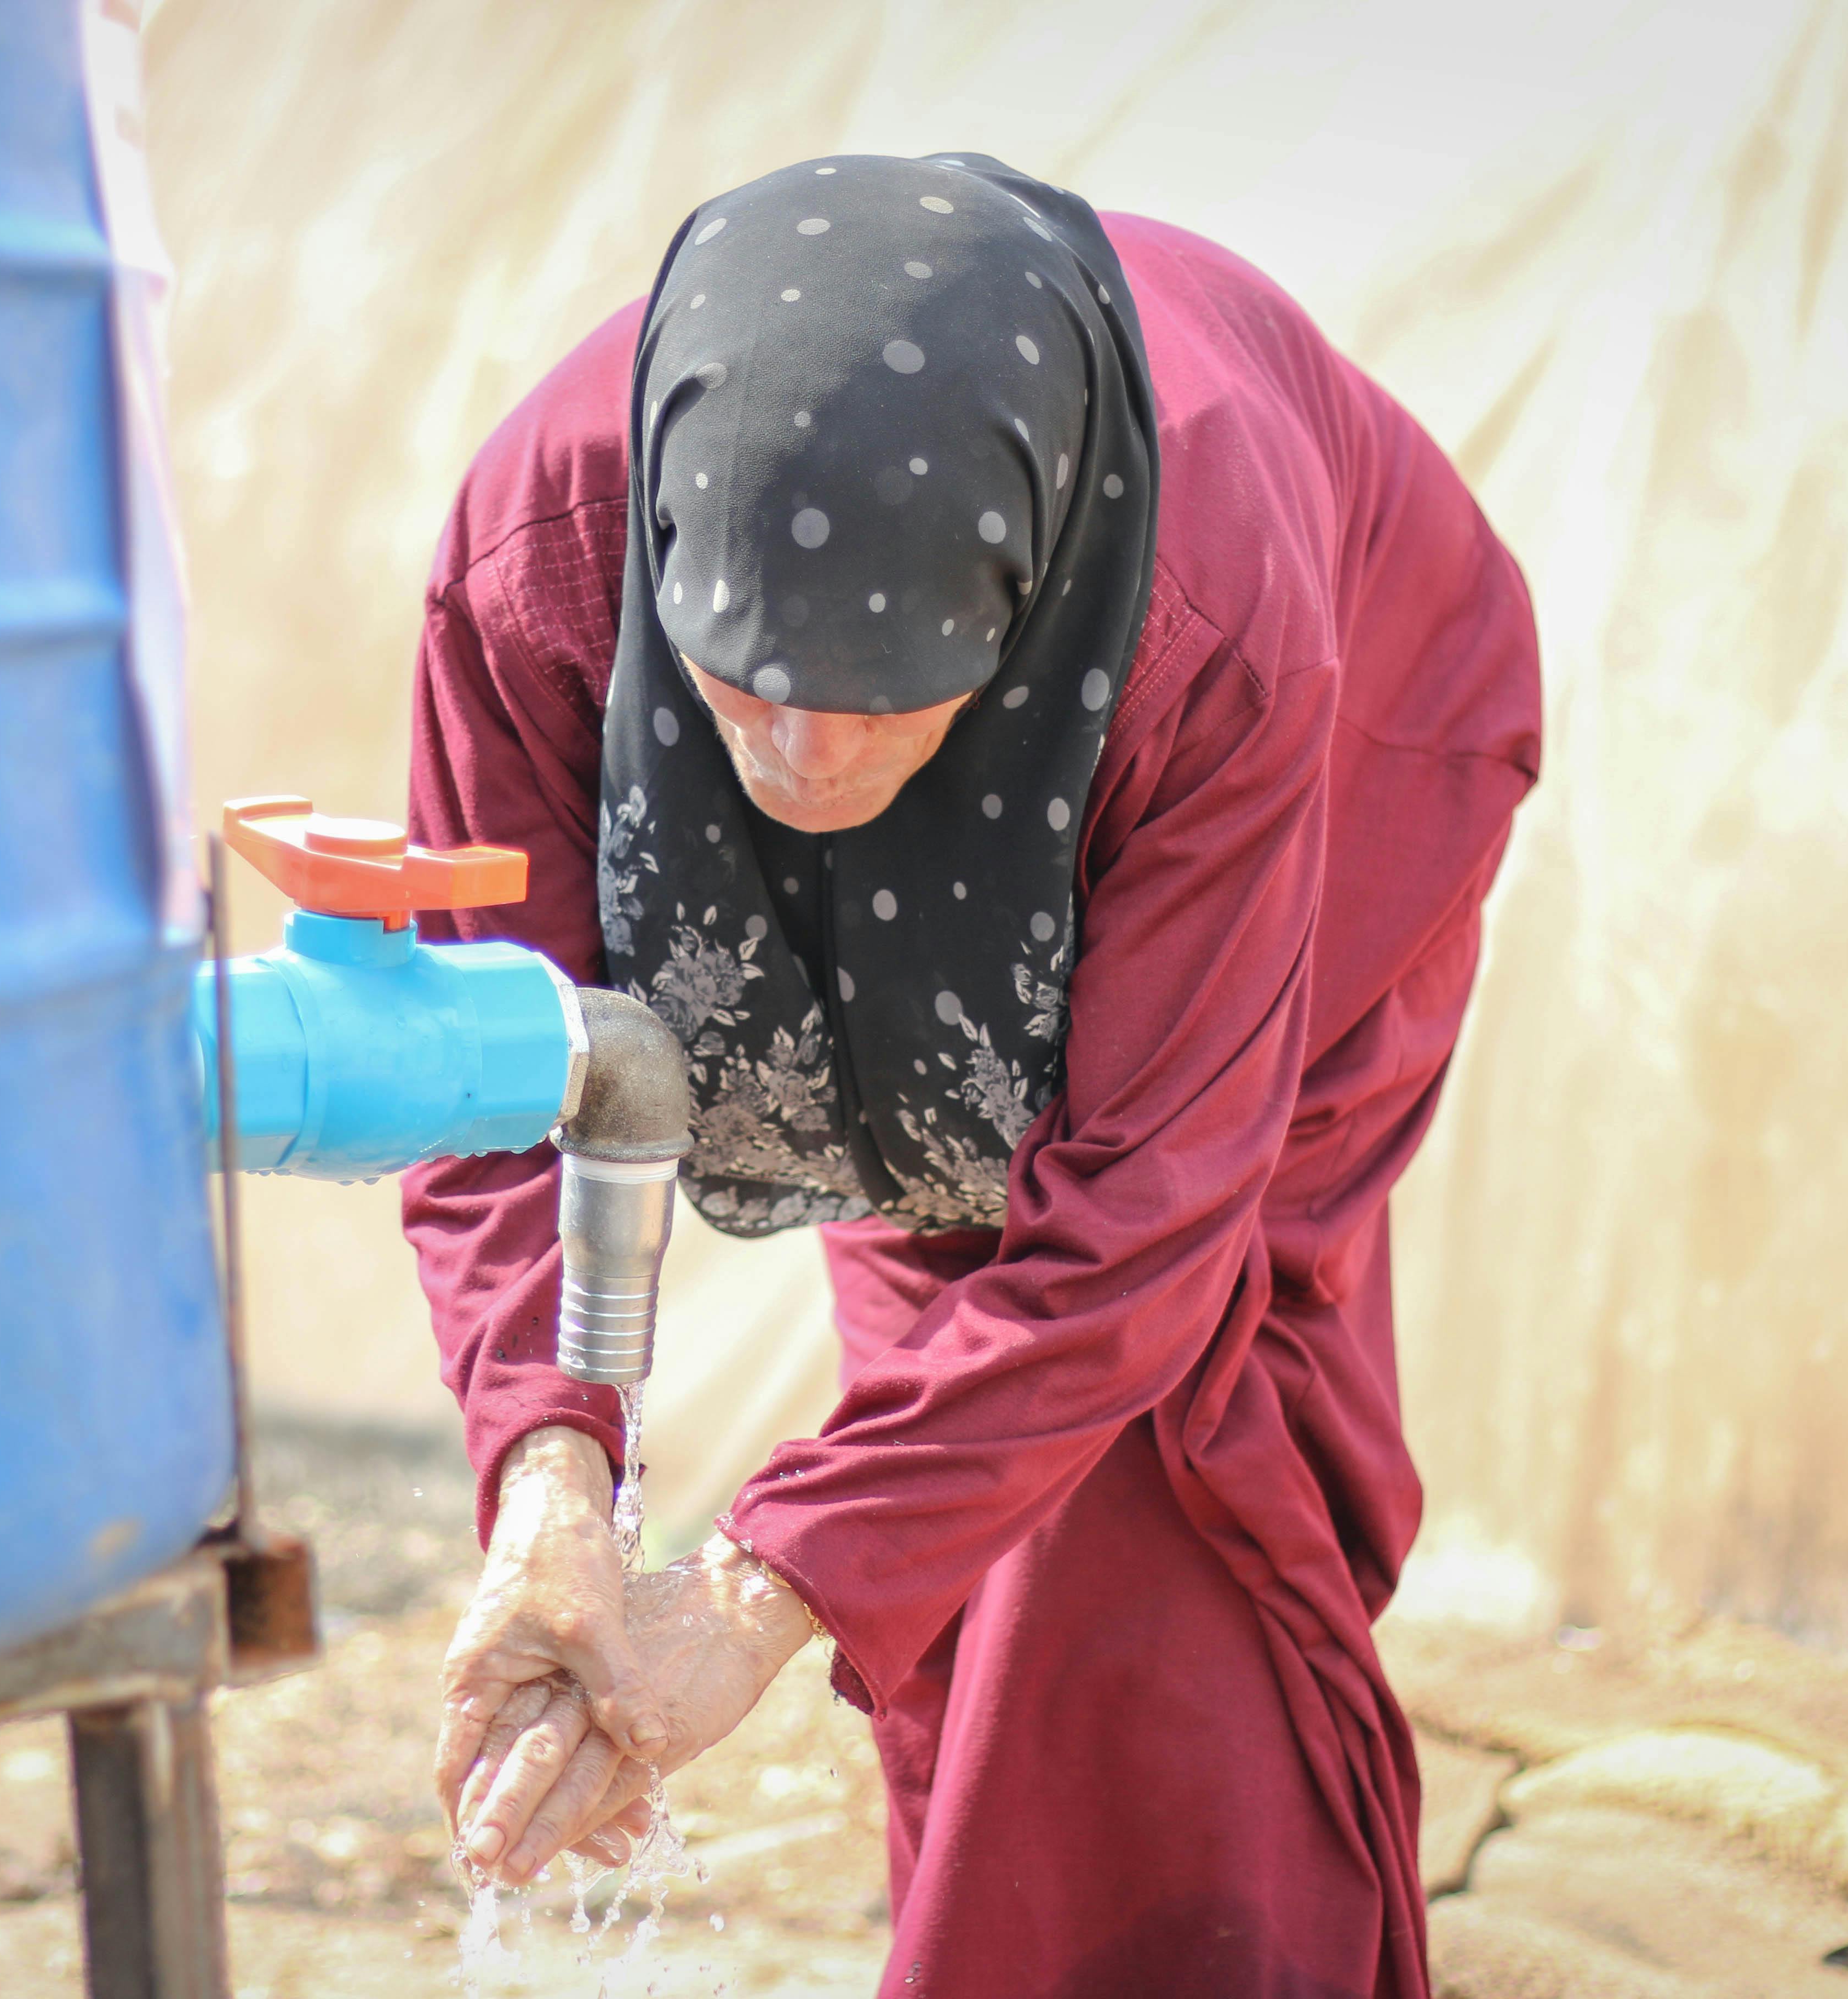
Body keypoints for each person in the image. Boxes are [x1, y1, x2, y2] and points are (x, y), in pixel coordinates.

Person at [398, 152, 1540, 1999]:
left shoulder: (1218, 625)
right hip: (929, 938)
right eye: (741, 684)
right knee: (947, 1460)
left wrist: (752, 1602)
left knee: (1160, 1457)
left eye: (875, 697)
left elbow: (1146, 1230)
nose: (795, 755)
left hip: (1345, 788)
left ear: (1013, 612)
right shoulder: (549, 545)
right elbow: (485, 1067)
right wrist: (551, 1483)